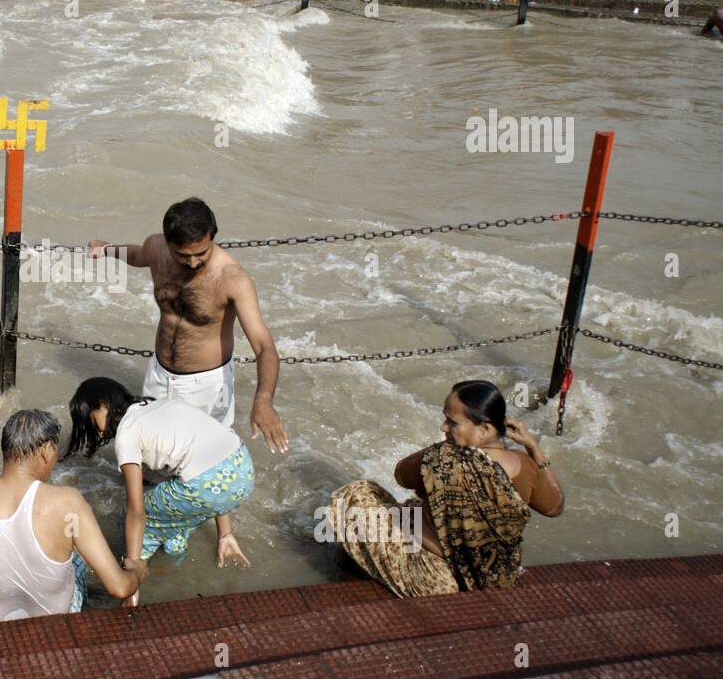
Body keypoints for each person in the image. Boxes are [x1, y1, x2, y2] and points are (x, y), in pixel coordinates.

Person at [327, 380, 564, 598]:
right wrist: (533, 445)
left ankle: (360, 569)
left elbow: (401, 474)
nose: (443, 427)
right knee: (409, 511)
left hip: (434, 578)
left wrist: (444, 447)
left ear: (484, 429)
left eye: (452, 422)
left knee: (355, 495)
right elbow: (555, 507)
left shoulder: (442, 460)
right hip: (493, 579)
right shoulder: (524, 464)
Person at [88, 198, 288, 451]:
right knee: (151, 455)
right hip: (159, 375)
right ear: (167, 242)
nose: (193, 263)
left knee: (202, 461)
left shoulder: (233, 279)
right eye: (182, 255)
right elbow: (138, 254)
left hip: (207, 386)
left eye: (201, 253)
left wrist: (264, 400)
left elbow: (264, 347)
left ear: (211, 237)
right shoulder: (156, 248)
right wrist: (107, 249)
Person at [0, 410, 147, 623]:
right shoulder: (68, 502)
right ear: (46, 451)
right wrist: (136, 572)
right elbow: (118, 587)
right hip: (52, 623)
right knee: (76, 553)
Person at [65, 378, 255, 604]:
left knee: (138, 514)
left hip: (207, 485)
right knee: (169, 502)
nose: (91, 426)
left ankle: (133, 590)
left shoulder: (127, 435)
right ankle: (175, 558)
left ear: (102, 405)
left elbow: (136, 511)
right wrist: (225, 533)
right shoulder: (157, 405)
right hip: (242, 468)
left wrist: (132, 565)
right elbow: (209, 459)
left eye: (88, 416)